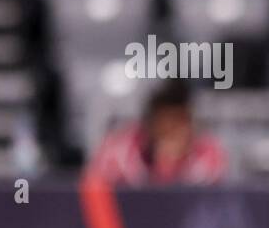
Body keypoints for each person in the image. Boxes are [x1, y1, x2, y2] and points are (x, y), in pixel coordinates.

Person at [88, 78, 228, 186]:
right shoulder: (118, 150)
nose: (171, 129)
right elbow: (93, 194)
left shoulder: (208, 151)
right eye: (164, 121)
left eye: (178, 120)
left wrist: (169, 164)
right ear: (150, 121)